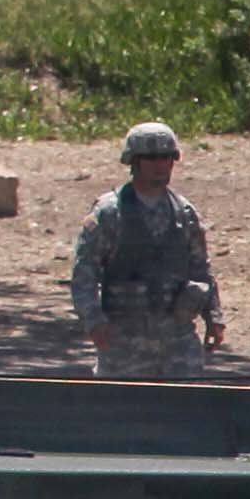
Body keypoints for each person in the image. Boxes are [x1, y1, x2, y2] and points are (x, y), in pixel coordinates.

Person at [69, 123, 223, 379]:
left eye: (167, 157)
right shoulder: (110, 214)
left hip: (177, 340)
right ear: (134, 161)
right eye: (151, 158)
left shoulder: (184, 214)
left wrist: (214, 317)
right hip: (124, 342)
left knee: (186, 410)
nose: (160, 164)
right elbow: (84, 274)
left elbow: (201, 270)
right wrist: (94, 321)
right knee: (124, 413)